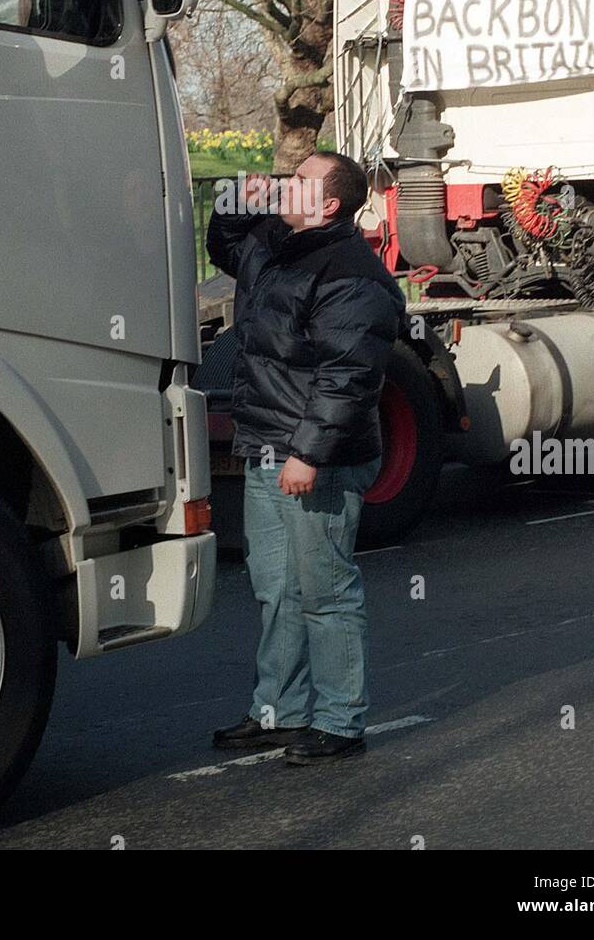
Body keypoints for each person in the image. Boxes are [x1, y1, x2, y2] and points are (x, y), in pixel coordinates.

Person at [207, 151, 407, 764]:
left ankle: (341, 721)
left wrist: (307, 454)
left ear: (327, 205)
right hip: (268, 445)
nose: (286, 184)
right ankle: (279, 712)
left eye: (299, 181)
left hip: (318, 457)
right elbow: (224, 244)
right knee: (277, 588)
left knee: (325, 591)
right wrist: (242, 197)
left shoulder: (354, 274)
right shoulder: (274, 244)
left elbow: (347, 377)